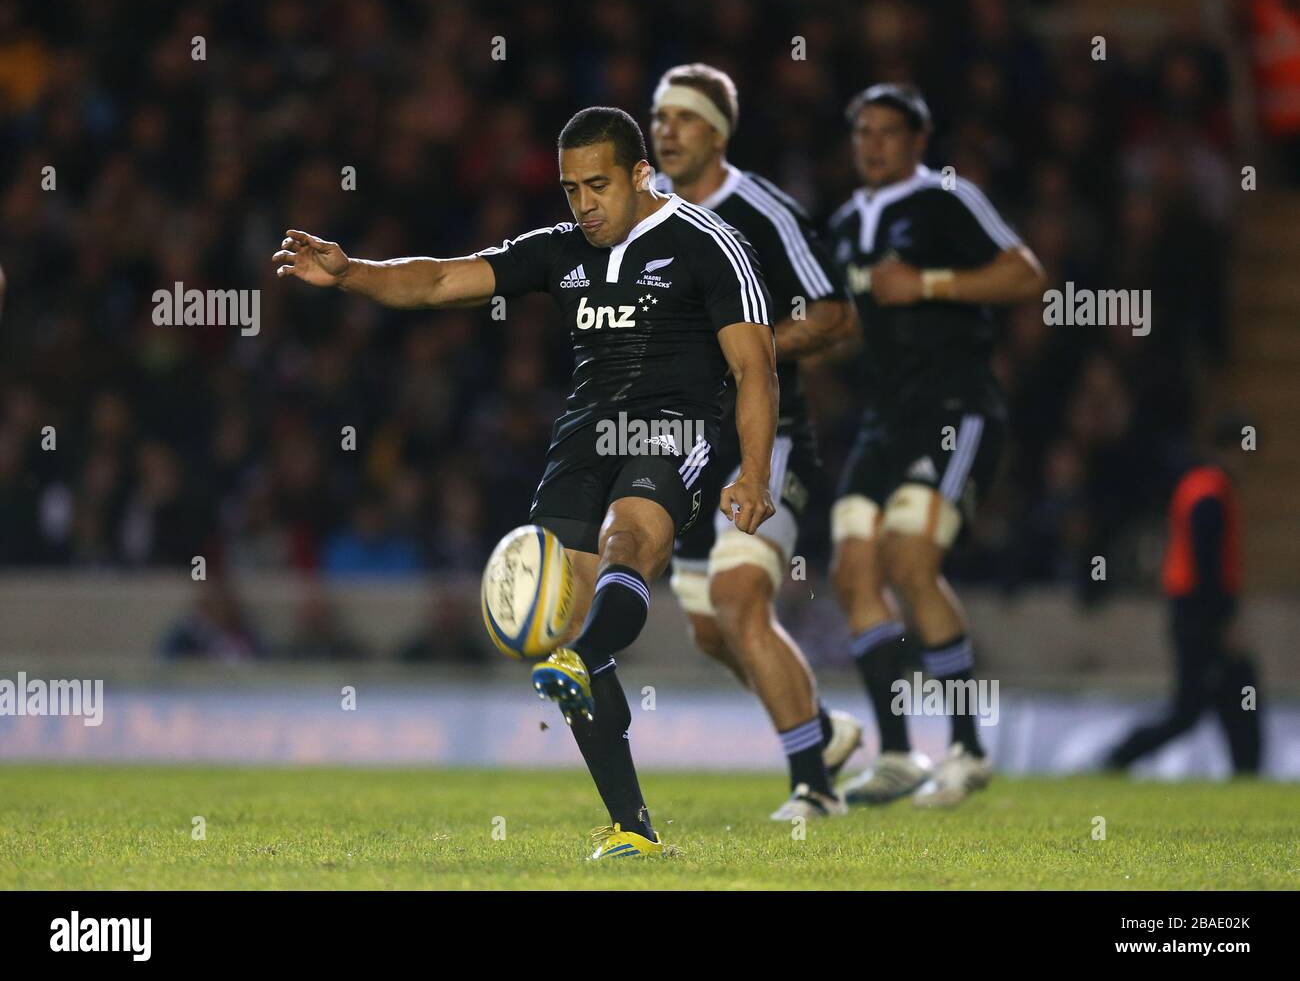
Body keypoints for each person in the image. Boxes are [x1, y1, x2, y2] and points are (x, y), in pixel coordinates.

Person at [274, 106, 778, 858]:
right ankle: (632, 828)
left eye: (598, 185)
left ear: (641, 175)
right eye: (572, 189)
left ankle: (585, 661)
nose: (584, 205)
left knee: (626, 542)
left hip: (672, 428)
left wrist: (757, 472)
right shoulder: (560, 250)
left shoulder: (710, 245)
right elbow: (443, 279)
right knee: (560, 616)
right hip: (582, 437)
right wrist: (352, 274)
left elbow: (754, 366)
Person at [650, 63, 863, 820]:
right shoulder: (648, 218)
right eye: (659, 116)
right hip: (683, 448)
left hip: (764, 440)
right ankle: (825, 727)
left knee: (740, 598)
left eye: (681, 116)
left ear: (717, 131)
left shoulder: (763, 210)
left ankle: (815, 783)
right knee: (712, 629)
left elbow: (837, 315)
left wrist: (747, 345)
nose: (665, 130)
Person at [826, 84, 1046, 807]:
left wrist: (928, 281)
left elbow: (1025, 272)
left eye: (889, 131)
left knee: (911, 559)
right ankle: (896, 753)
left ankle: (968, 749)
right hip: (883, 420)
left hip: (957, 410)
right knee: (855, 570)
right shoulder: (845, 222)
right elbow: (857, 322)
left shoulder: (946, 198)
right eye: (864, 131)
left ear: (918, 142)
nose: (874, 143)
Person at [1105, 417, 1262, 775]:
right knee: (1204, 702)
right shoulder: (1210, 493)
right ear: (1227, 449)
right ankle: (1120, 756)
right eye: (1245, 449)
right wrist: (1224, 620)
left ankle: (1247, 769)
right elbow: (1207, 563)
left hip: (1190, 610)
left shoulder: (1197, 487)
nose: (1248, 460)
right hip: (1199, 613)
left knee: (1218, 696)